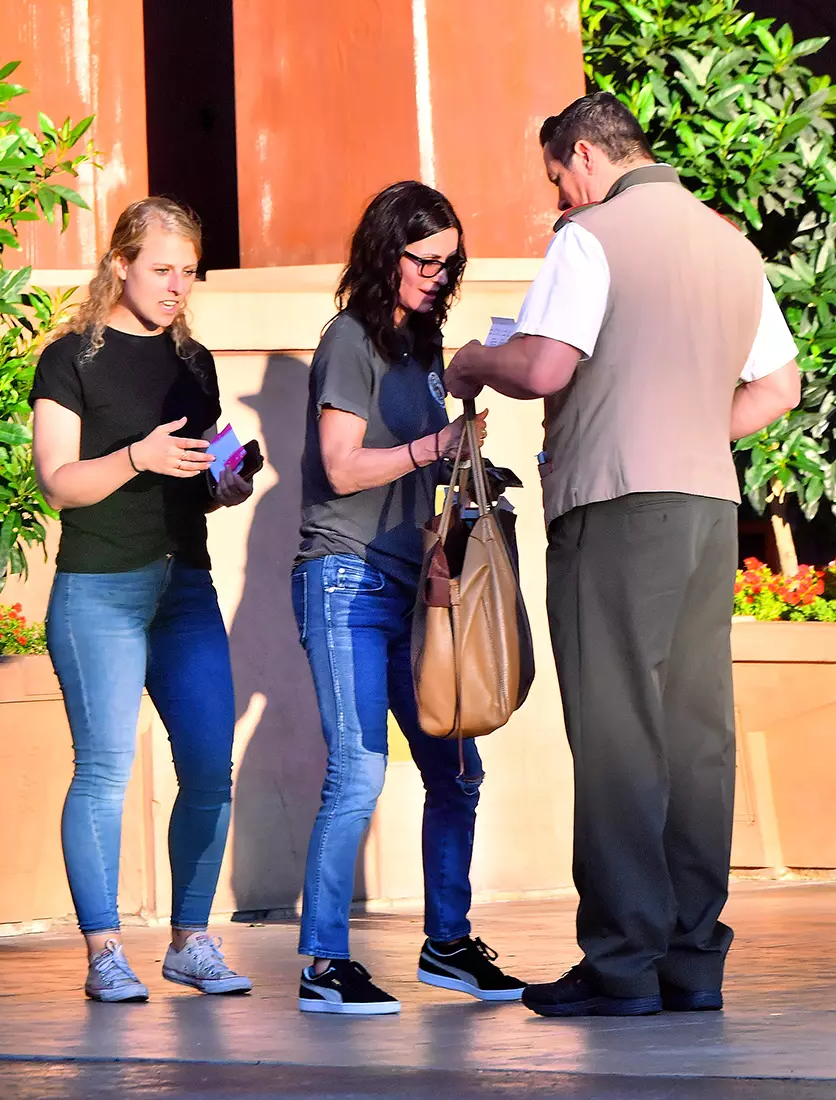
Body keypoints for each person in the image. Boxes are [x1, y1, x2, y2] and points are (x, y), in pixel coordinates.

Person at [444, 93, 801, 1018]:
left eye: (557, 177)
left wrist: (475, 365)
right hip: (707, 507)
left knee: (616, 734)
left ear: (585, 157)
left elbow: (547, 368)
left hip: (614, 507)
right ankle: (691, 961)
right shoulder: (730, 244)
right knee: (696, 734)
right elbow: (781, 384)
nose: (559, 196)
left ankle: (621, 963)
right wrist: (693, 435)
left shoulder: (591, 236)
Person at [290, 180, 525, 1015]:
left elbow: (415, 465)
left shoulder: (424, 349)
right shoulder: (350, 339)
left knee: (455, 764)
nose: (437, 274)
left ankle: (448, 945)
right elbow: (343, 466)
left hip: (408, 583)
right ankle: (323, 963)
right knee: (356, 771)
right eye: (424, 259)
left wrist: (460, 468)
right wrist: (436, 442)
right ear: (387, 251)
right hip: (345, 576)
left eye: (448, 262)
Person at [31, 197, 256, 1003]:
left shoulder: (195, 363)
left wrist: (227, 479)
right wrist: (138, 455)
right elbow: (60, 483)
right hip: (100, 588)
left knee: (207, 767)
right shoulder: (70, 360)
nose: (176, 286)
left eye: (188, 272)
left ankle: (191, 940)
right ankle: (103, 952)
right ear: (120, 263)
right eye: (163, 269)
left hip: (184, 588)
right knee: (103, 771)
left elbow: (199, 476)